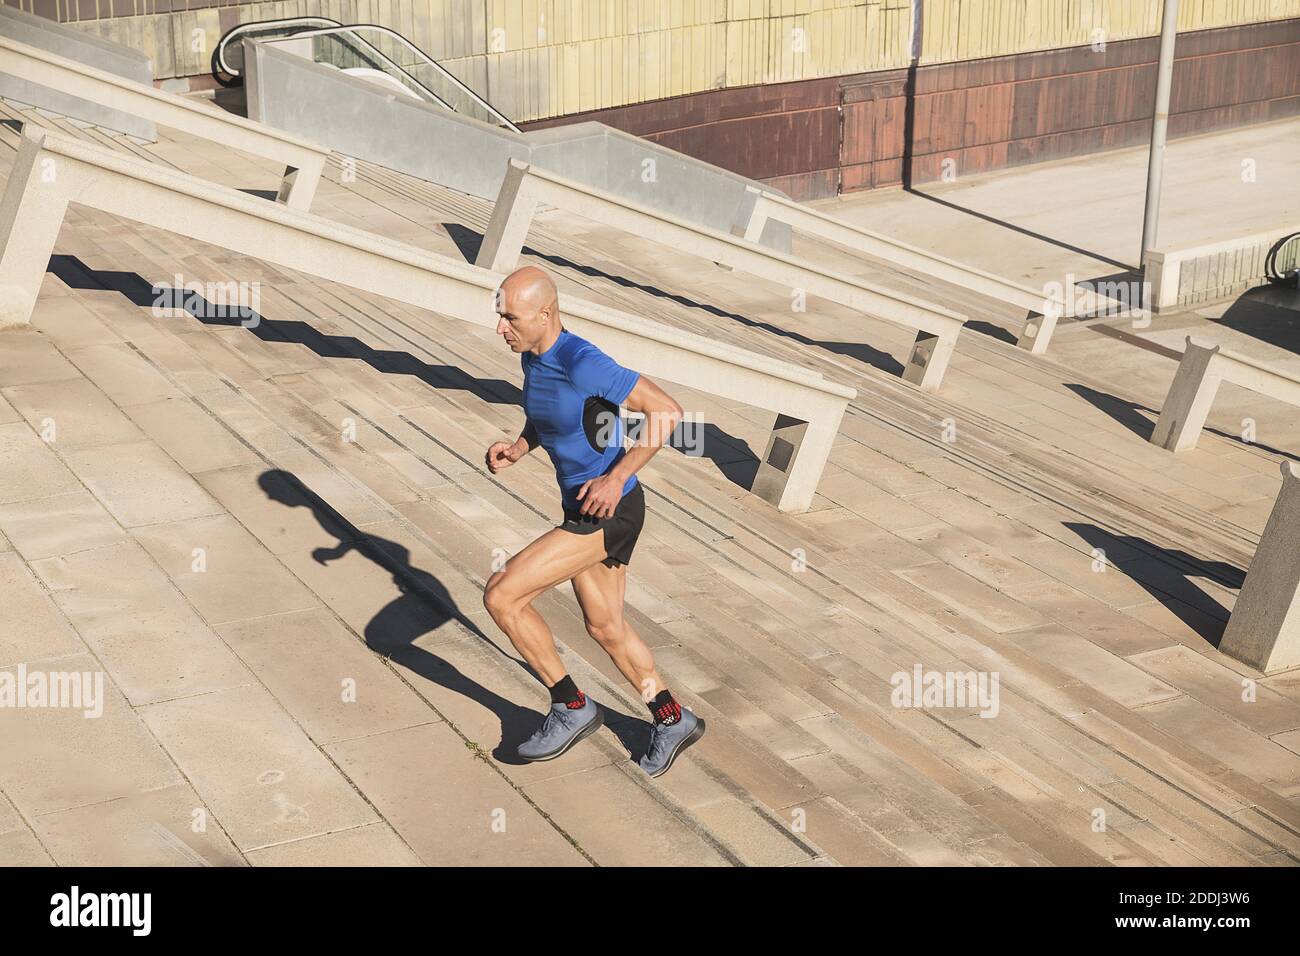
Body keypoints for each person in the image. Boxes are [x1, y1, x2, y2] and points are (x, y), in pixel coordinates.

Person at [483, 265, 705, 777]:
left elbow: (666, 412)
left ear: (545, 313)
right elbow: (549, 413)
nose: (501, 328)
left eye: (510, 317)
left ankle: (571, 705)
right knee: (605, 626)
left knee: (503, 594)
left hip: (611, 509)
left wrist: (615, 477)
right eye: (499, 317)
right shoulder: (533, 358)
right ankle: (672, 718)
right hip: (582, 506)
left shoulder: (582, 360)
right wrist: (519, 447)